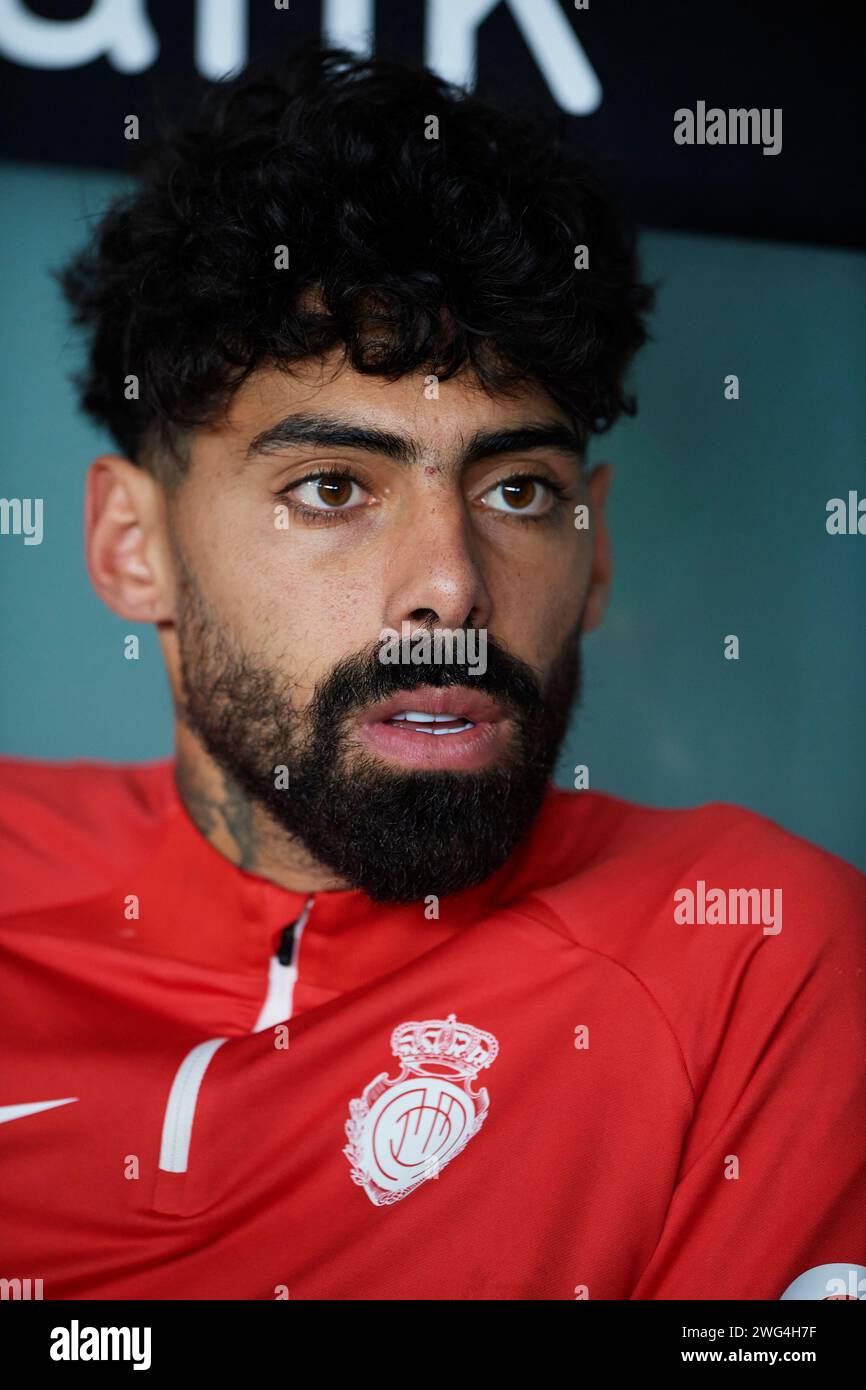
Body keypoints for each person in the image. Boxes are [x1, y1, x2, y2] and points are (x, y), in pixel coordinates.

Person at [1, 45, 863, 1302]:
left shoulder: (746, 951)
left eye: (517, 492)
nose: (450, 587)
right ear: (134, 547)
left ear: (593, 549)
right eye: (331, 487)